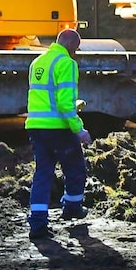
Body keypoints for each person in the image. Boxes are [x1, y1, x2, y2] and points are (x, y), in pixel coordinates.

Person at [25, 28, 92, 239]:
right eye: (76, 49)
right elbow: (64, 104)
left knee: (43, 174)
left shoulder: (38, 62)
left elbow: (46, 97)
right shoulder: (67, 64)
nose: (76, 53)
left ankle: (37, 224)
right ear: (72, 46)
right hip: (59, 129)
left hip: (36, 127)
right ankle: (72, 208)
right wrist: (79, 130)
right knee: (76, 169)